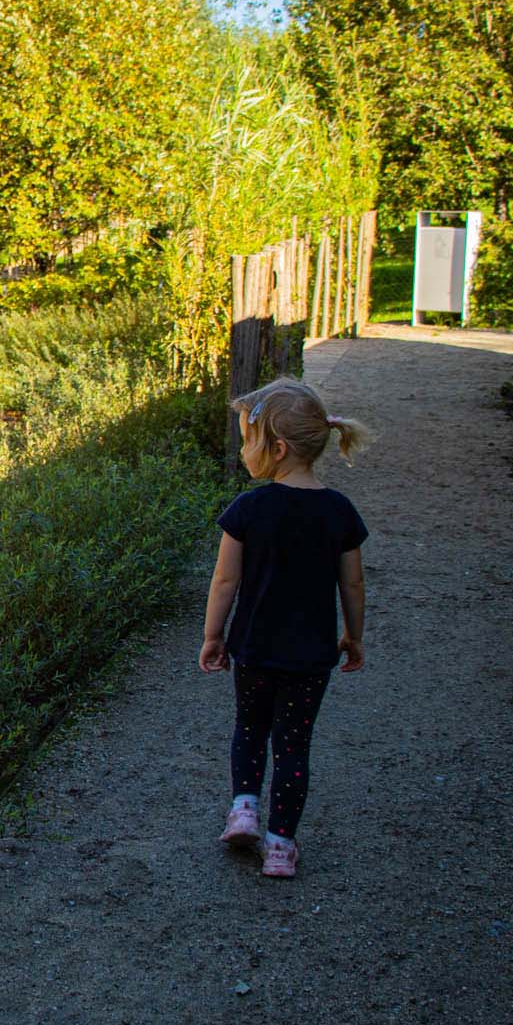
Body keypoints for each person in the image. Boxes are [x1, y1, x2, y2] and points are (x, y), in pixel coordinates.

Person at [199, 376, 371, 878]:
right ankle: (279, 846)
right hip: (311, 655)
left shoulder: (248, 509)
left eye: (248, 440)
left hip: (253, 648)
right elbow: (353, 586)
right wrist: (353, 635)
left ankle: (244, 808)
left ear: (275, 447)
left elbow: (224, 581)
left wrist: (213, 636)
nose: (244, 450)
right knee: (294, 743)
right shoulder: (339, 511)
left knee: (250, 727)